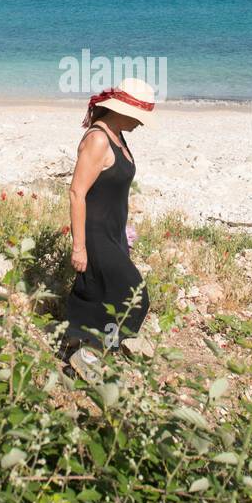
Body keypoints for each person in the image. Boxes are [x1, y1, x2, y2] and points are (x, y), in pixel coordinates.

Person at [62, 77, 157, 381]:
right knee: (134, 295)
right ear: (122, 111)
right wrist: (79, 246)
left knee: (105, 292)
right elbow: (77, 192)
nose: (141, 125)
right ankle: (89, 355)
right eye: (139, 117)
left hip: (113, 232)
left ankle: (81, 349)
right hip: (94, 232)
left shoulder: (117, 135)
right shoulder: (99, 139)